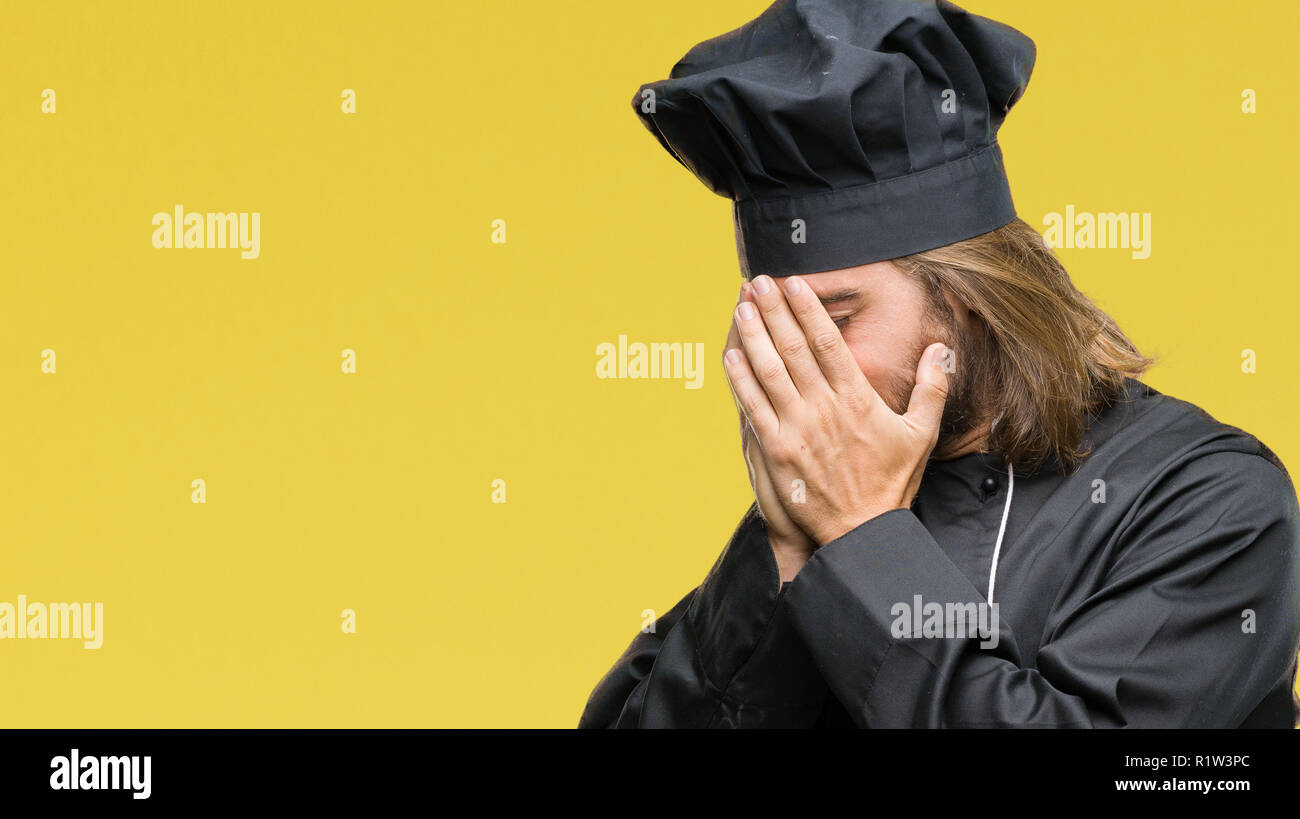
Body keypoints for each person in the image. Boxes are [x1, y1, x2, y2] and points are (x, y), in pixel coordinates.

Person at [578, 0, 1300, 728]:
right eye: (770, 324)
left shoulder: (1210, 503)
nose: (790, 369)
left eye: (832, 321)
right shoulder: (809, 516)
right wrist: (785, 556)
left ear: (966, 296)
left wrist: (865, 543)